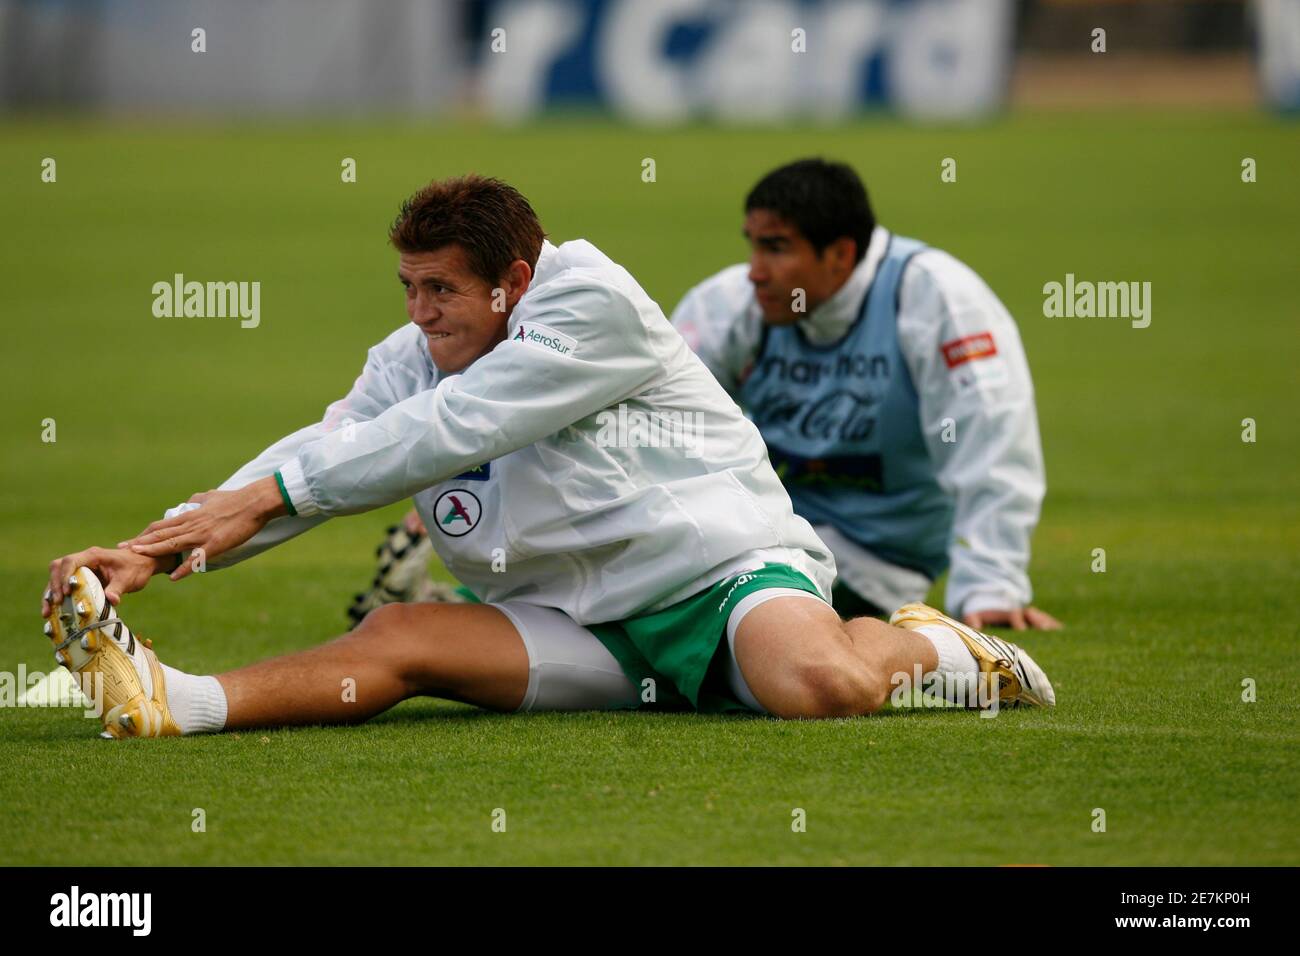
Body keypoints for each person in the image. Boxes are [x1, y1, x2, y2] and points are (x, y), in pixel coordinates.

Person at [40, 174, 1054, 740]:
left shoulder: (591, 306)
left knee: (817, 688)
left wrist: (269, 493)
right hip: (575, 619)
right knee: (399, 633)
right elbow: (330, 450)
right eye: (407, 285)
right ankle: (175, 701)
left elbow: (449, 432)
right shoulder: (411, 356)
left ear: (513, 281)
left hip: (721, 573)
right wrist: (156, 547)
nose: (418, 313)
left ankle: (940, 646)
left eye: (441, 289)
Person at [671, 158, 1061, 631]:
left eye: (775, 248)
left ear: (840, 253)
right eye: (752, 246)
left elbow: (992, 446)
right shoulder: (729, 306)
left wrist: (991, 587)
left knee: (725, 619)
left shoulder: (936, 298)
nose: (754, 272)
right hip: (765, 536)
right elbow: (665, 427)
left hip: (879, 564)